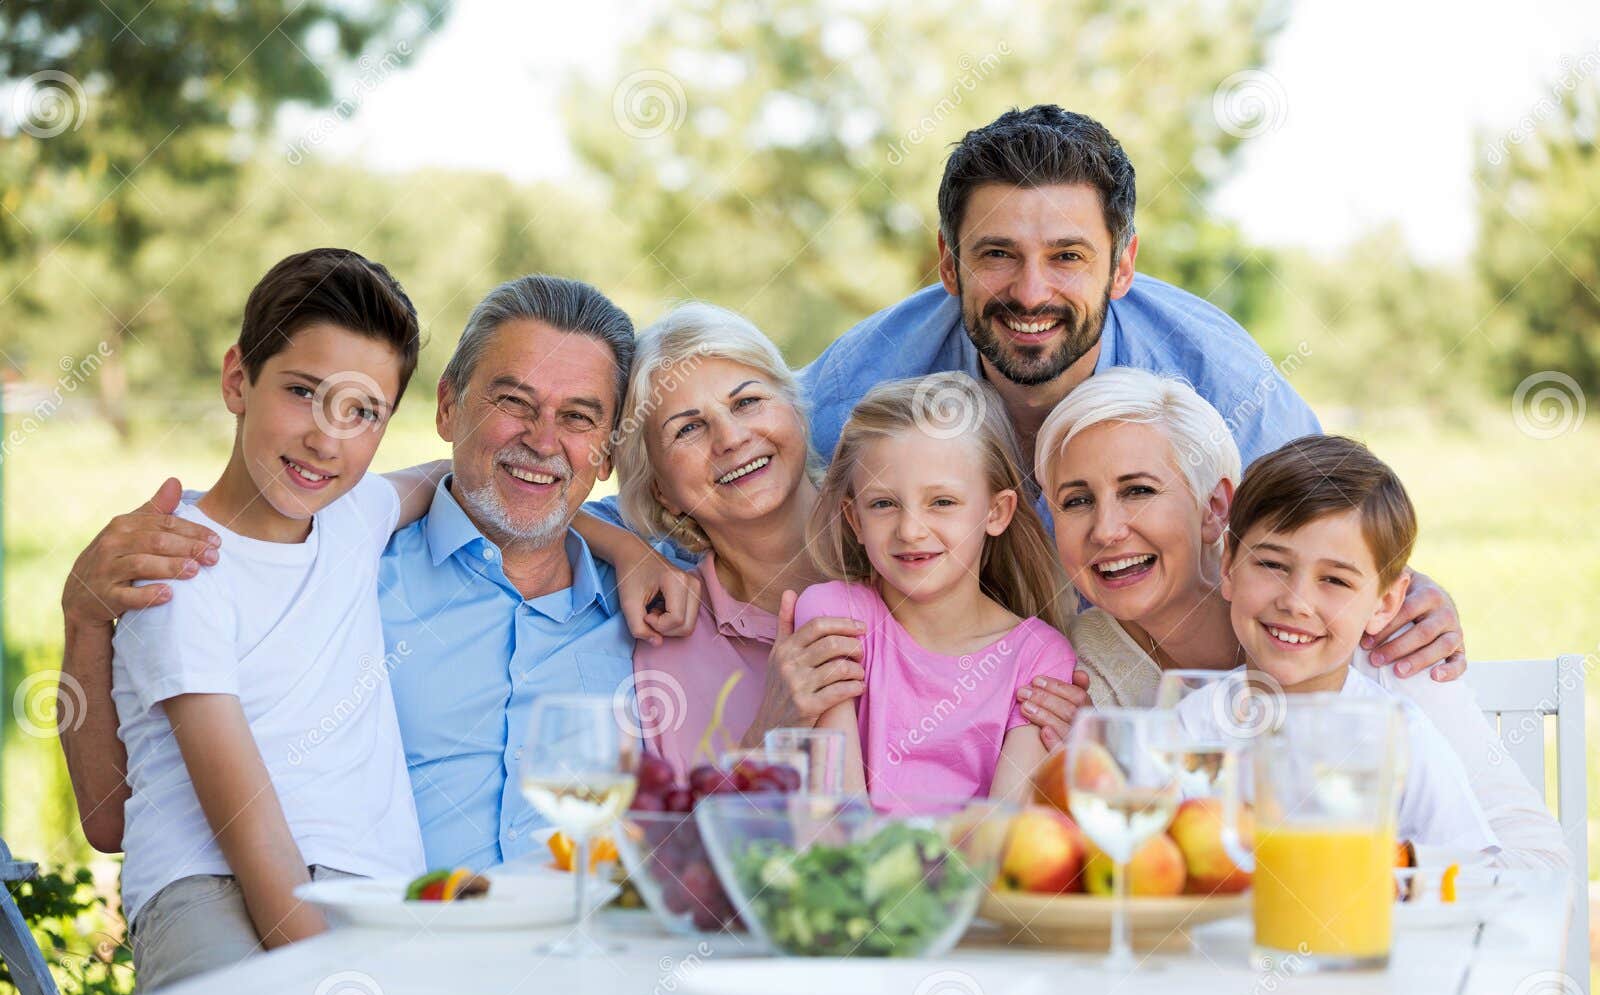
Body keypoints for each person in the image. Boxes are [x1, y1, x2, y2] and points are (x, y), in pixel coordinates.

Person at [802, 104, 1470, 684]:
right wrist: (688, 555)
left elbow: (1334, 525)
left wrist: (1409, 589)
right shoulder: (867, 379)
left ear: (1123, 265)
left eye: (1068, 256)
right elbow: (734, 453)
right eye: (997, 254)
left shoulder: (1214, 375)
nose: (1031, 291)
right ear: (949, 264)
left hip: (1154, 701)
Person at [61, 275, 672, 872]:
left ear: (612, 449)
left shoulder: (664, 594)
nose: (541, 440)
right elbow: (114, 818)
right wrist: (85, 620)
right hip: (375, 962)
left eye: (578, 418)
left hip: (591, 959)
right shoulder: (338, 569)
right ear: (448, 406)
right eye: (512, 402)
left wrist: (624, 546)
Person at [1030, 368, 1564, 868]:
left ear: (1216, 508)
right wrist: (1094, 762)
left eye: (1139, 490)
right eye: (1076, 500)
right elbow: (1120, 849)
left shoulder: (1392, 657)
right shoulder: (1083, 668)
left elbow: (1507, 859)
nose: (1106, 530)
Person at [111, 248, 443, 991]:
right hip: (215, 885)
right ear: (239, 379)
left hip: (370, 884)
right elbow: (246, 822)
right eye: (304, 391)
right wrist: (323, 974)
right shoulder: (182, 565)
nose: (329, 438)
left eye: (363, 412)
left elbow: (455, 477)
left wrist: (622, 545)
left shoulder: (355, 515)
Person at [1176, 435, 1495, 855]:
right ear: (1230, 567)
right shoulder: (1194, 728)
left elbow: (1470, 869)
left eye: (1335, 580)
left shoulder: (1396, 736)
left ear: (1385, 603)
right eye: (1271, 564)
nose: (1294, 601)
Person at [589, 302, 866, 771]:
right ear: (660, 490)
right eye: (689, 428)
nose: (731, 438)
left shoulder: (908, 548)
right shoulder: (672, 647)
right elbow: (686, 843)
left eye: (747, 402)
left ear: (797, 413)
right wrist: (774, 729)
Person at [795, 373, 1077, 808]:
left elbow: (1002, 836)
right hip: (854, 871)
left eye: (942, 502)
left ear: (997, 512)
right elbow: (836, 820)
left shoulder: (1040, 656)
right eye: (883, 504)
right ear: (854, 520)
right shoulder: (835, 616)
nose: (910, 530)